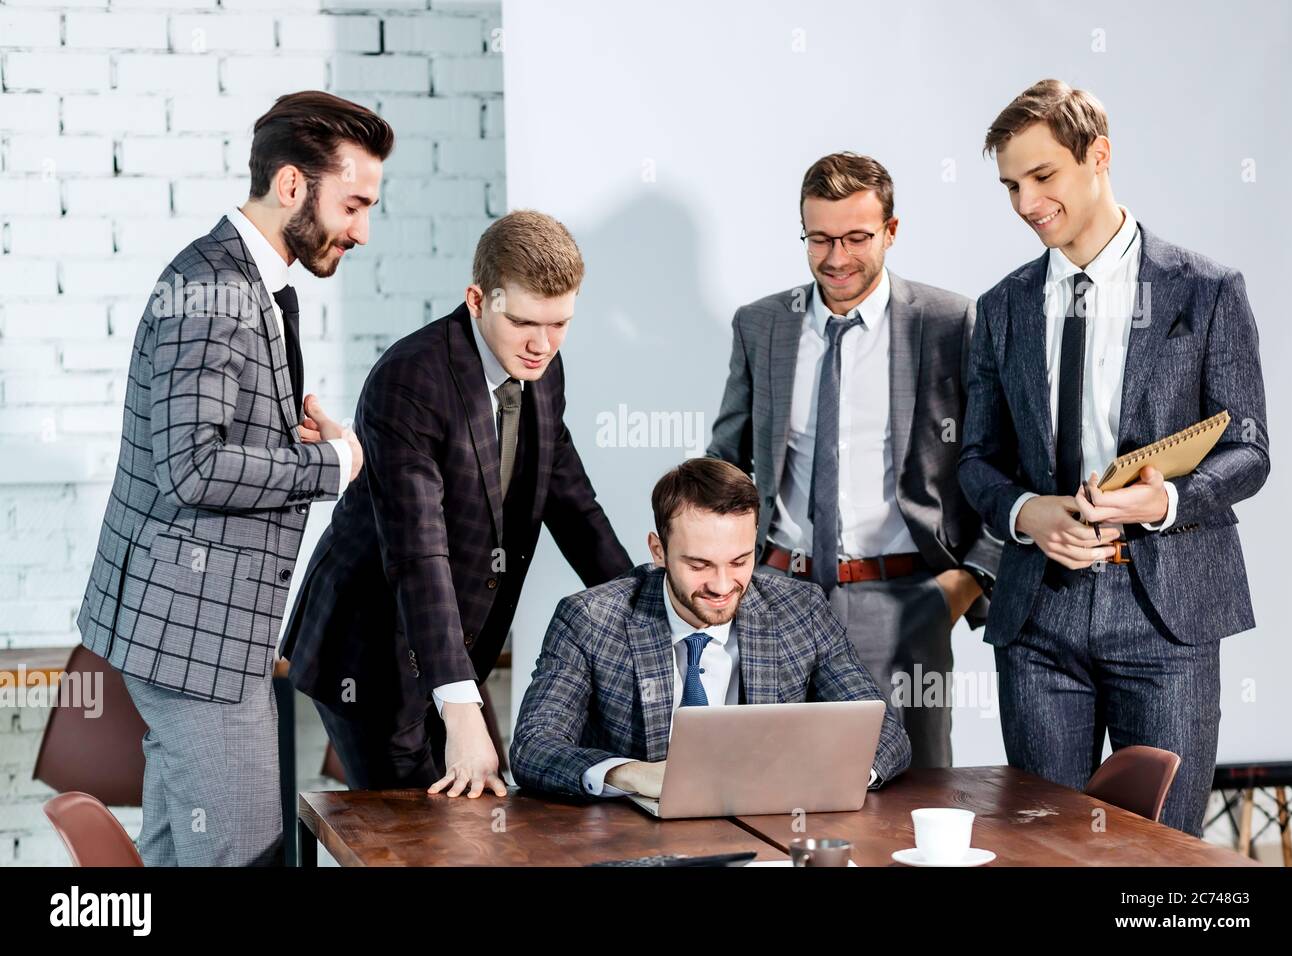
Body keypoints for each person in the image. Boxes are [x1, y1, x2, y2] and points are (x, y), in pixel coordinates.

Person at [77, 91, 386, 865]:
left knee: (182, 855)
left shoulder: (239, 281)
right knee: (244, 858)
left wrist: (288, 436)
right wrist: (332, 463)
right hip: (197, 646)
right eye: (353, 204)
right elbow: (193, 467)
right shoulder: (213, 292)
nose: (362, 230)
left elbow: (206, 440)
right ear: (292, 186)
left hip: (198, 635)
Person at [959, 79, 1269, 836]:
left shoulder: (1205, 291)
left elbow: (1249, 451)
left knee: (1161, 851)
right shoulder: (1002, 307)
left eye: (1042, 177)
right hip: (1039, 620)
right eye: (1010, 186)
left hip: (1167, 617)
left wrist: (1160, 504)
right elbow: (975, 459)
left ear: (1098, 156)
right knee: (1043, 848)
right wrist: (1025, 511)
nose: (1026, 203)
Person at [282, 210, 633, 799]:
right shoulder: (410, 380)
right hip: (371, 651)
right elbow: (419, 553)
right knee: (414, 844)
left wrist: (646, 612)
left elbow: (572, 503)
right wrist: (462, 706)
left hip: (451, 649)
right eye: (523, 322)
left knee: (479, 823)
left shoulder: (542, 368)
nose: (542, 344)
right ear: (477, 299)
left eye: (559, 324)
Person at [706, 152, 1002, 768]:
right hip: (776, 593)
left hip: (905, 601)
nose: (836, 258)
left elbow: (1003, 465)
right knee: (773, 780)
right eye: (819, 239)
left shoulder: (950, 323)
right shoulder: (761, 325)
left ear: (891, 231)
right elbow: (725, 466)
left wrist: (965, 581)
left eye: (856, 238)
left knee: (912, 791)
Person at [510, 457, 910, 800]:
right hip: (633, 841)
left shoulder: (800, 611)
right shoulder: (590, 619)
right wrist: (633, 774)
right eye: (699, 565)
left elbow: (885, 734)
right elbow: (533, 746)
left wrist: (827, 779)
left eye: (738, 562)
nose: (721, 586)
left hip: (769, 831)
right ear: (658, 551)